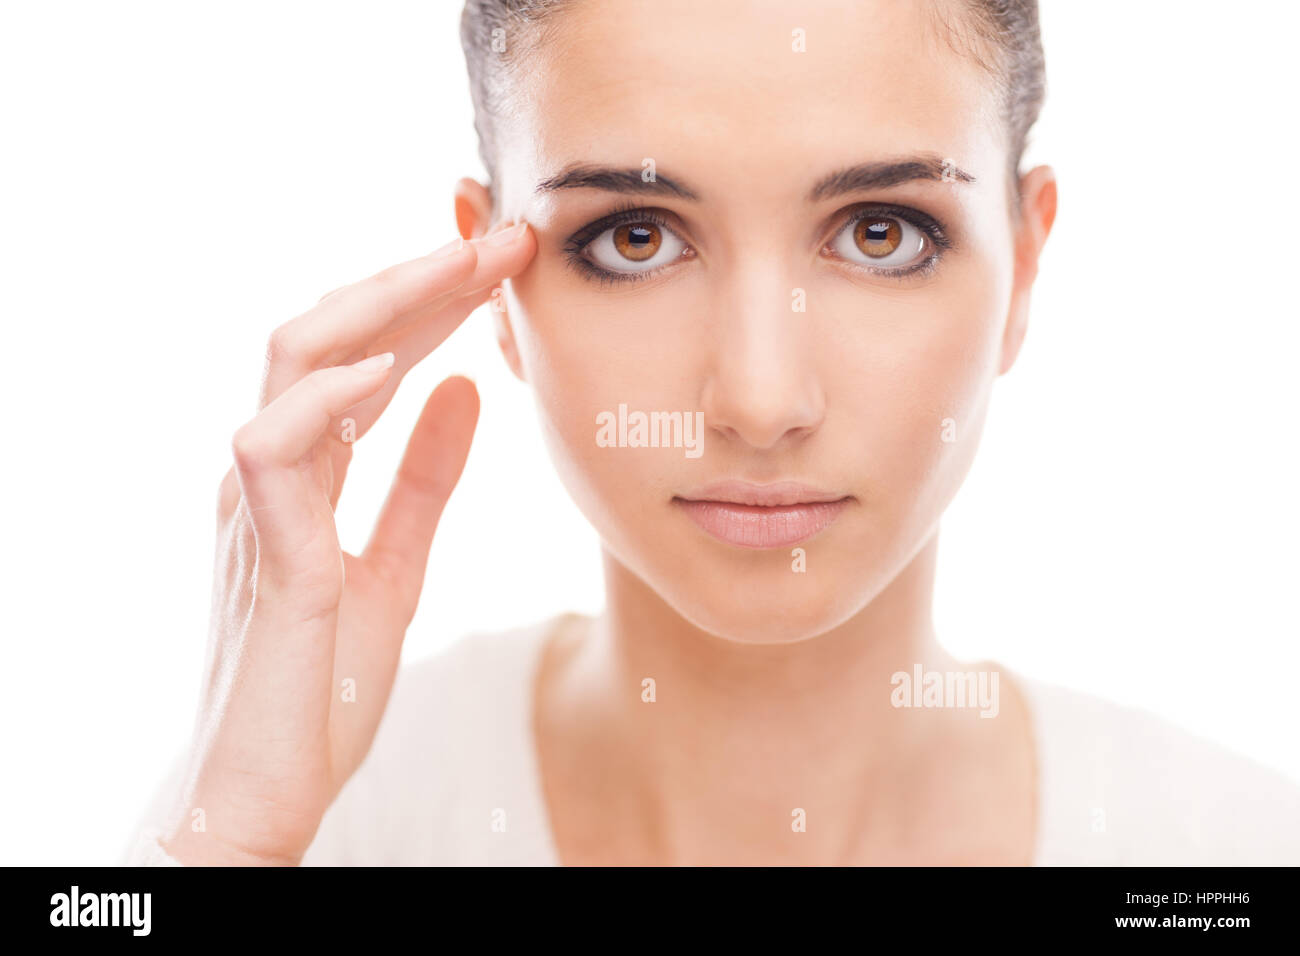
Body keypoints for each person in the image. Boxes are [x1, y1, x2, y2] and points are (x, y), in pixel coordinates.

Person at [125, 0, 1299, 866]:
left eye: (881, 232)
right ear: (497, 284)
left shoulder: (1221, 851)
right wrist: (226, 839)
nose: (759, 395)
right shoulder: (330, 816)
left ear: (1024, 264)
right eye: (635, 236)